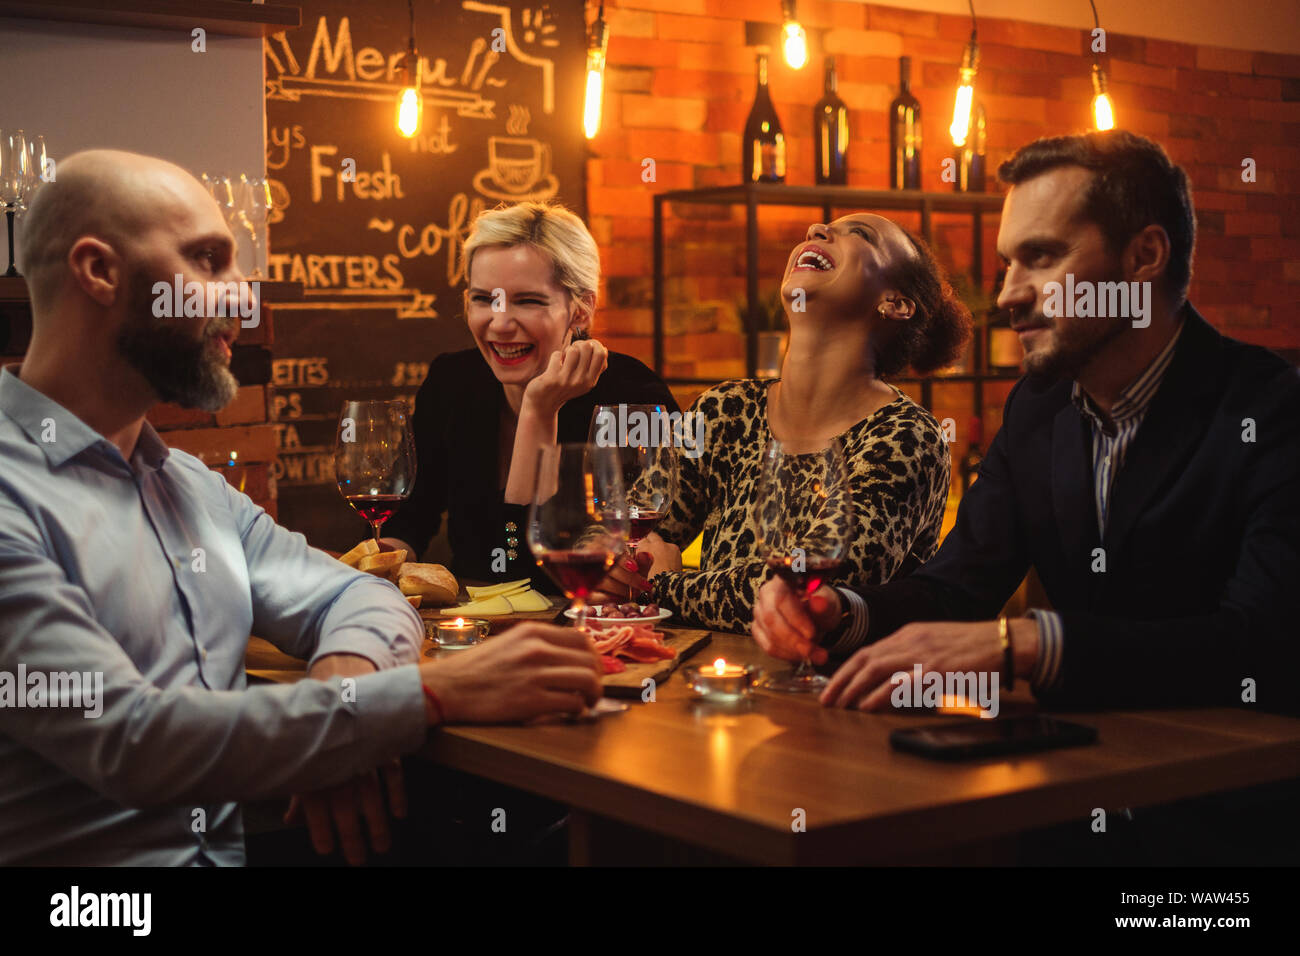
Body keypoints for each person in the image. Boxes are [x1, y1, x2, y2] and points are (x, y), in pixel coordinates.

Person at [0, 149, 604, 865]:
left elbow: (362, 598)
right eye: (209, 261)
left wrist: (336, 730)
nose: (241, 296)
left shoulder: (192, 488)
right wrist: (427, 695)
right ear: (99, 272)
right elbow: (136, 741)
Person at [752, 130, 1300, 713]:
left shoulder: (1271, 409)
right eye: (1009, 263)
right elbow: (956, 590)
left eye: (1041, 258)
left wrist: (1032, 644)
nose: (1009, 295)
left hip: (1237, 785)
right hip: (1075, 774)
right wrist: (841, 612)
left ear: (1144, 257)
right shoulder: (1038, 406)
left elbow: (1261, 642)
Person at [602, 215, 971, 633]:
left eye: (861, 235)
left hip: (832, 690)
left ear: (895, 303)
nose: (817, 230)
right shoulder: (725, 410)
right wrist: (619, 567)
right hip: (714, 683)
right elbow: (629, 537)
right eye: (819, 228)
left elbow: (805, 594)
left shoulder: (906, 438)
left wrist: (663, 587)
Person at [382, 202, 677, 587]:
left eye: (528, 301)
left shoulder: (633, 397)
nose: (500, 323)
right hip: (468, 629)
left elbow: (524, 564)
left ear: (581, 311)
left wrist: (540, 407)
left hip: (586, 630)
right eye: (484, 299)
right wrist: (360, 576)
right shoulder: (451, 380)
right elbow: (410, 520)